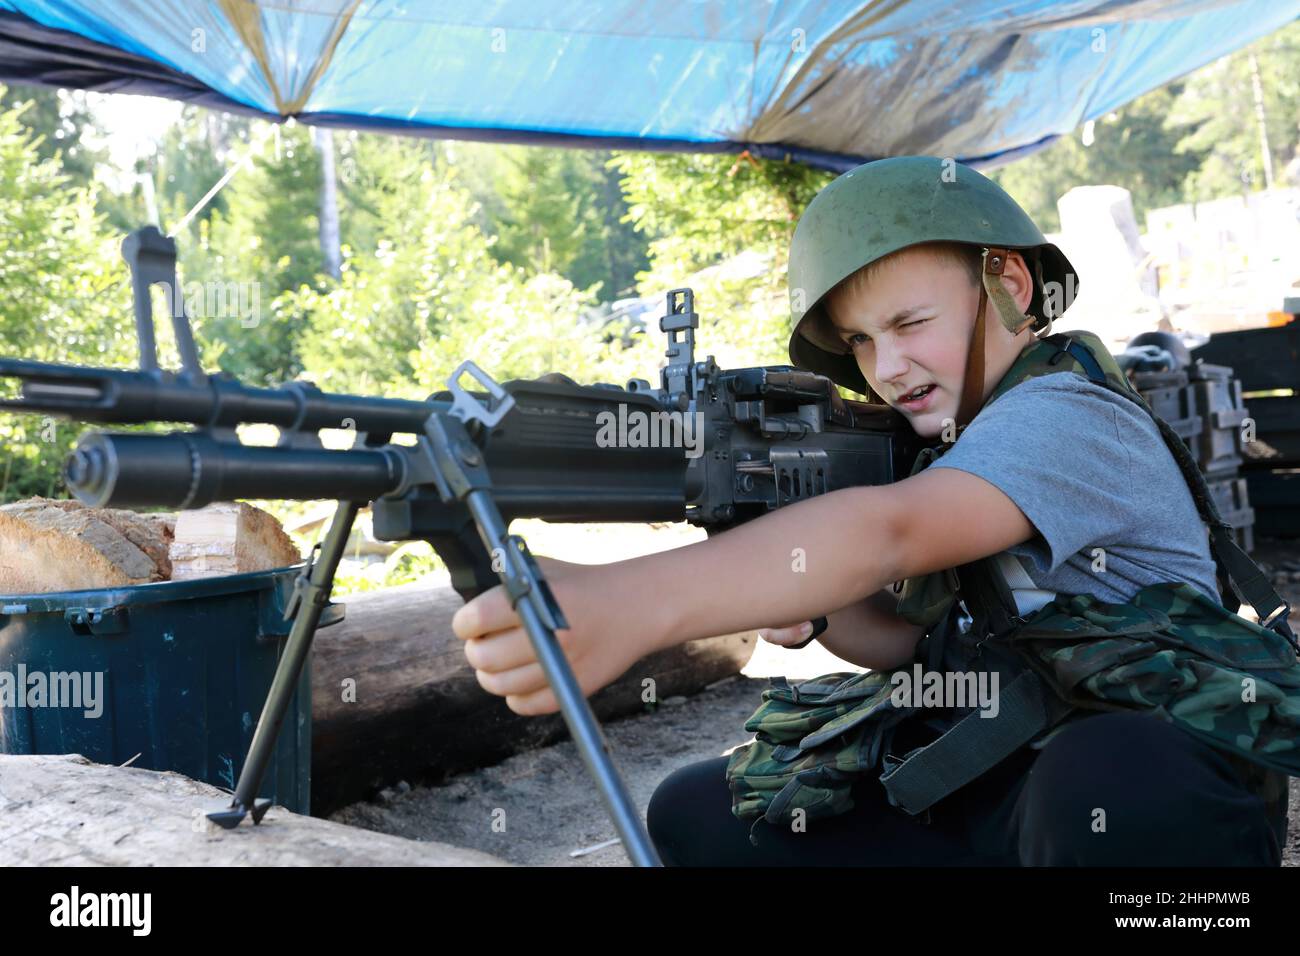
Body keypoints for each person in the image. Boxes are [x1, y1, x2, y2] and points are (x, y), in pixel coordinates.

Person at [450, 156, 1293, 866]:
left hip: (1162, 787)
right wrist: (812, 601)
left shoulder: (1068, 416)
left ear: (1007, 281)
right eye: (859, 341)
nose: (886, 365)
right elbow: (917, 646)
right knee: (703, 813)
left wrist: (634, 603)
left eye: (910, 322)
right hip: (1010, 761)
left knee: (1108, 774)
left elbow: (890, 530)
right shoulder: (956, 439)